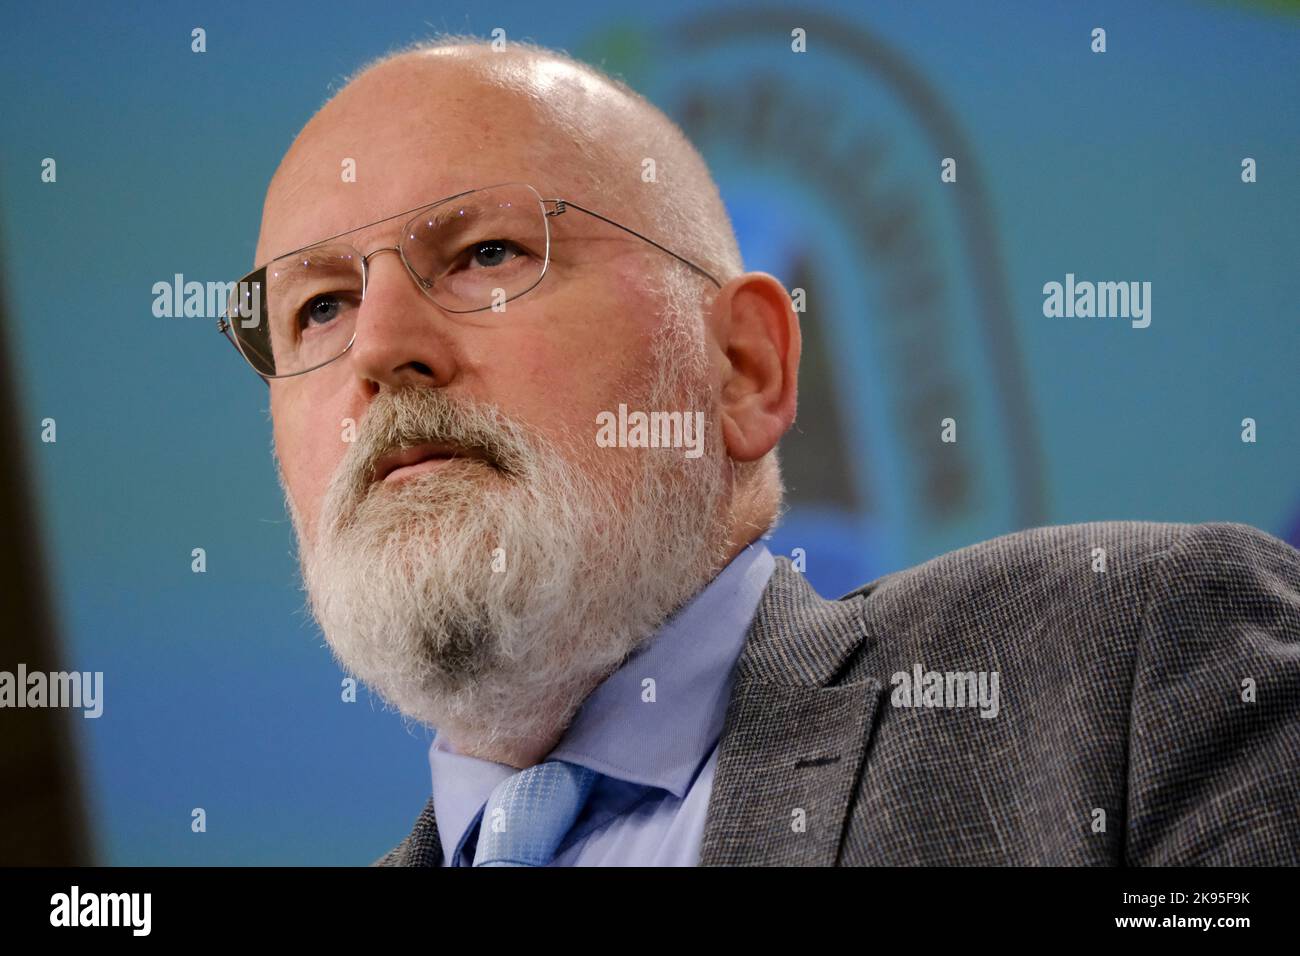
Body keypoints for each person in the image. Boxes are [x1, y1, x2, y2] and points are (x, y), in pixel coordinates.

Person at [220, 35, 1300, 866]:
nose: (379, 349)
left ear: (742, 367)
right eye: (318, 307)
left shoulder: (1128, 667)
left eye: (485, 252)